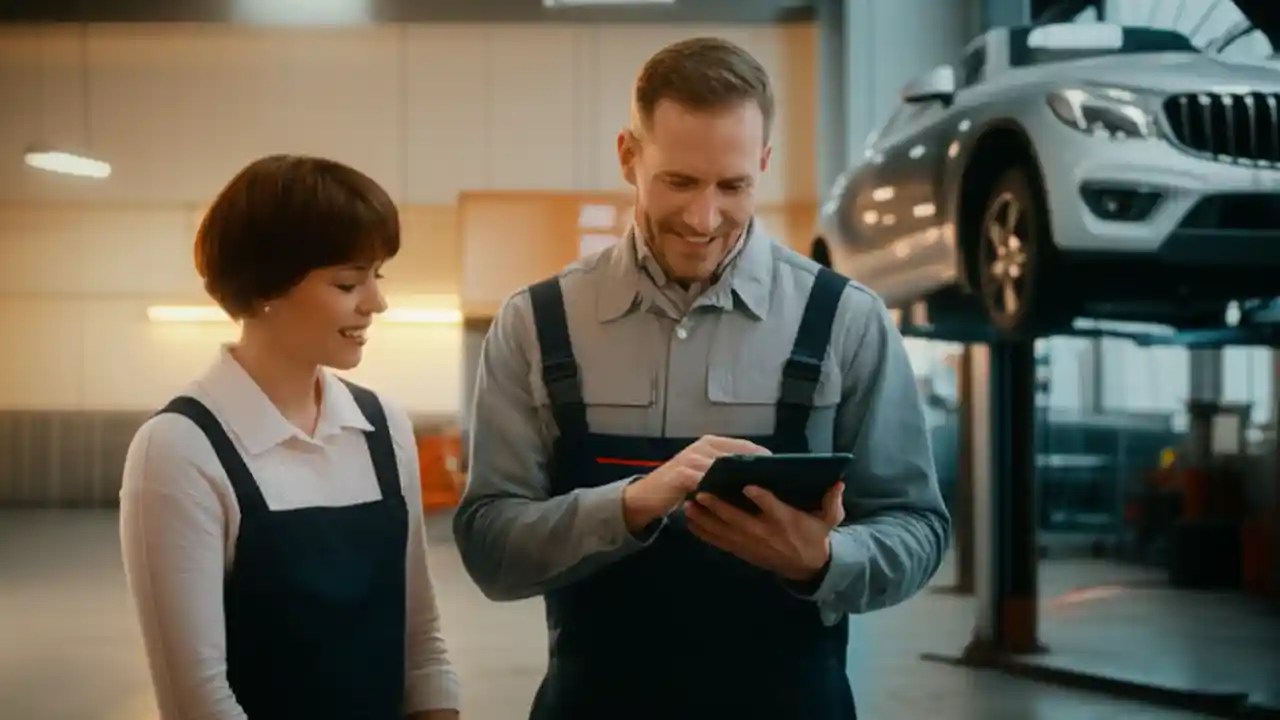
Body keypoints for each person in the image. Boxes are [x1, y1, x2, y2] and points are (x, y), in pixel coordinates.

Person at [453, 36, 951, 720]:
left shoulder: (845, 320)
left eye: (733, 186)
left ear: (764, 163)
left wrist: (823, 558)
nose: (703, 218)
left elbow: (918, 527)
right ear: (628, 156)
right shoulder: (537, 325)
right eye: (679, 182)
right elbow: (489, 547)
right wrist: (631, 505)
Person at [120, 155, 461, 720]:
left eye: (377, 277)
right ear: (266, 287)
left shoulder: (384, 428)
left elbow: (421, 645)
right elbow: (197, 700)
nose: (375, 302)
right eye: (348, 282)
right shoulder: (181, 450)